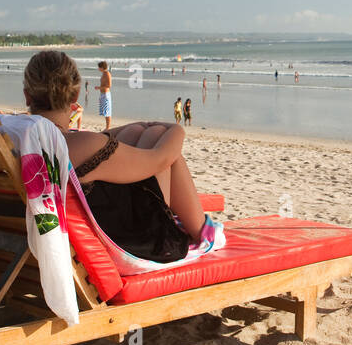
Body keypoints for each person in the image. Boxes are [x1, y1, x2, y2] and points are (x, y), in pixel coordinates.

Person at [23, 51, 217, 262]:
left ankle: (198, 227)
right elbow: (161, 159)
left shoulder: (19, 136)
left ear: (27, 95)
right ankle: (203, 233)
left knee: (136, 133)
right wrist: (175, 128)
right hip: (134, 244)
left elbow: (92, 139)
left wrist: (140, 127)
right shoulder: (79, 146)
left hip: (32, 241)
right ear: (75, 96)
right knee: (161, 139)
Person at [98, 61, 112, 130]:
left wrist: (99, 88)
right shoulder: (103, 73)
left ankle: (108, 127)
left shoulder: (107, 74)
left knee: (107, 111)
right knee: (105, 112)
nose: (98, 68)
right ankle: (107, 127)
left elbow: (109, 85)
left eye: (99, 67)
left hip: (106, 94)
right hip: (102, 94)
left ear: (102, 67)